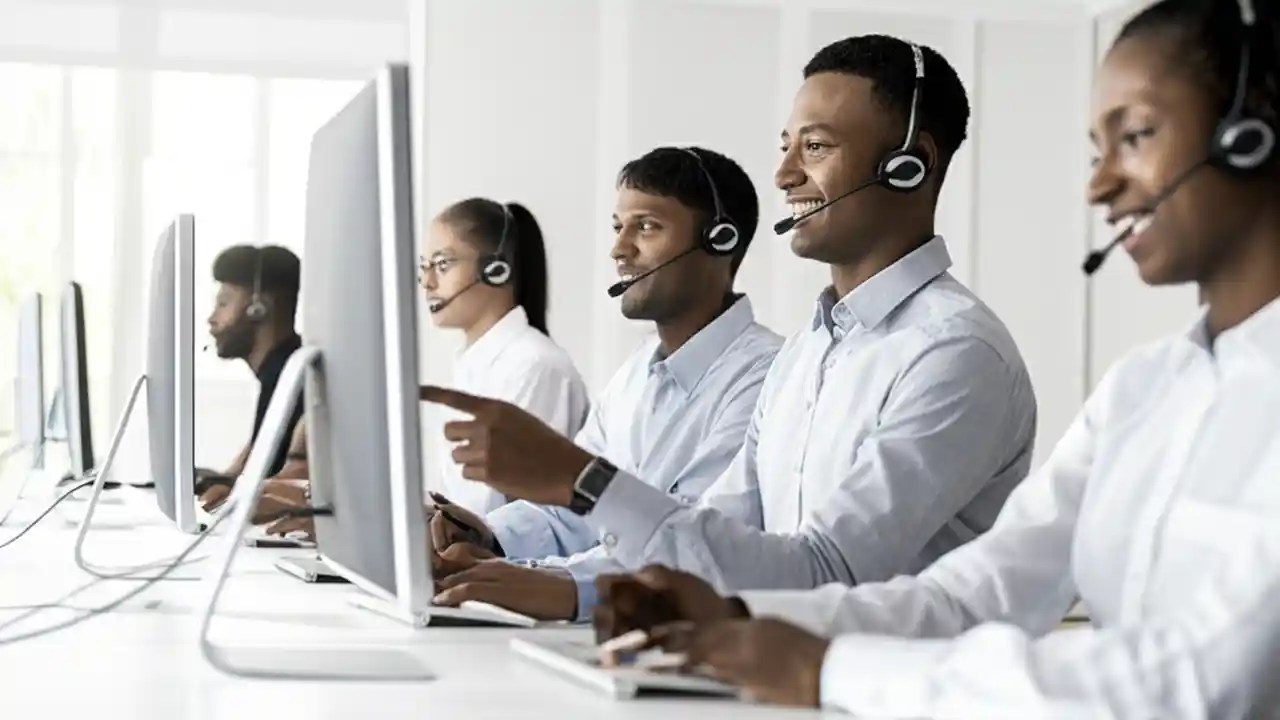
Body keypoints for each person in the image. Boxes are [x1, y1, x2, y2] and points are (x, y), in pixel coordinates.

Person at [591, 0, 1280, 715]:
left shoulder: (958, 350)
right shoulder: (1144, 388)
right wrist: (738, 626)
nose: (1098, 186)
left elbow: (1199, 681)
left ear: (1249, 136)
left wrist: (829, 669)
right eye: (1094, 153)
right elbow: (972, 594)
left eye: (1134, 136)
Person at [423, 35, 1037, 621]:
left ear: (910, 164)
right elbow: (716, 545)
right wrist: (563, 586)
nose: (784, 175)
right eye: (786, 146)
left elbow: (826, 573)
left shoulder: (956, 355)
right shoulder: (807, 353)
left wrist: (582, 484)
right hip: (778, 676)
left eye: (816, 147)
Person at [425, 146, 783, 618]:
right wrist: (486, 535)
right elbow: (573, 505)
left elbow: (691, 543)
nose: (619, 249)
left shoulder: (763, 377)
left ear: (720, 239)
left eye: (647, 227)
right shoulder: (634, 375)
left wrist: (553, 584)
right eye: (619, 227)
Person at [420, 199, 590, 516]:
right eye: (424, 267)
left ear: (496, 271)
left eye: (443, 265)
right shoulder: (471, 365)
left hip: (504, 558)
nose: (428, 283)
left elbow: (514, 513)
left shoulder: (536, 367)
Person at [197, 244, 304, 511]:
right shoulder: (280, 372)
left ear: (259, 307)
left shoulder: (291, 379)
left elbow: (268, 482)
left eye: (223, 303)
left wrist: (225, 488)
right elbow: (249, 468)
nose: (212, 318)